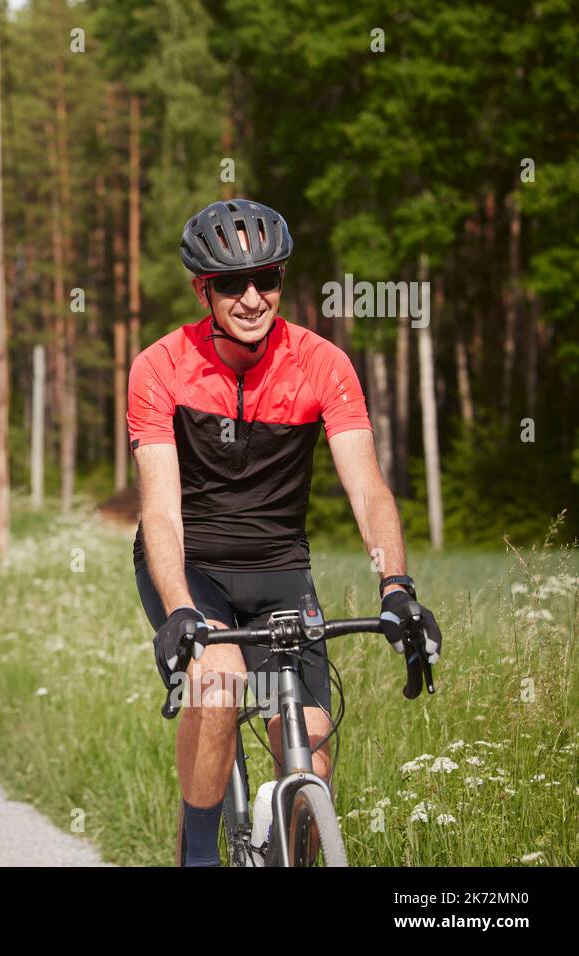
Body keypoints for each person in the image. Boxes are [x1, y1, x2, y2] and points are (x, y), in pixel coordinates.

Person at [128, 199, 443, 866]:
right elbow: (158, 508)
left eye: (266, 279)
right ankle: (197, 857)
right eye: (232, 284)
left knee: (314, 741)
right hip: (195, 567)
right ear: (202, 291)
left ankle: (288, 822)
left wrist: (397, 585)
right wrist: (180, 609)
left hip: (279, 571)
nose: (252, 297)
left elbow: (368, 487)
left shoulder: (322, 363)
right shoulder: (158, 367)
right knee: (218, 686)